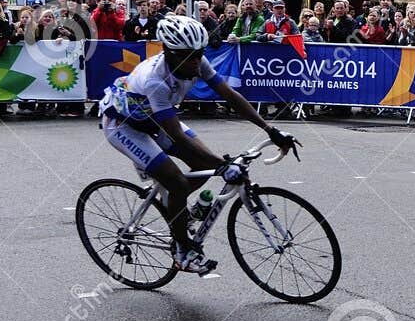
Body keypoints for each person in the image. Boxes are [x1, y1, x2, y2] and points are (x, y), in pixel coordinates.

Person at [99, 15, 297, 274]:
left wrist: (270, 130)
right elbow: (176, 136)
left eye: (198, 53)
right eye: (187, 55)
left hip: (155, 119)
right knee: (179, 181)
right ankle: (183, 251)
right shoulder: (155, 80)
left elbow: (230, 96)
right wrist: (223, 165)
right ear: (168, 52)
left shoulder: (196, 61)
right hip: (124, 125)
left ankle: (177, 211)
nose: (195, 60)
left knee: (202, 164)